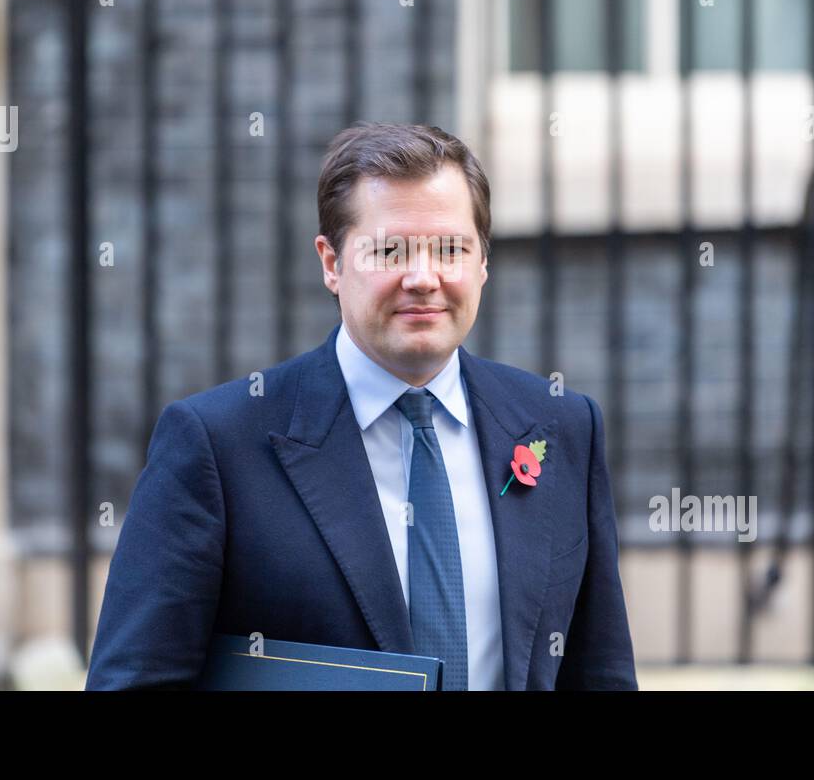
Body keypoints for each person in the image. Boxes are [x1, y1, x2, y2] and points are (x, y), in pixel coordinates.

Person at [85, 122, 638, 690]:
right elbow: (133, 681)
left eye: (451, 248)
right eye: (390, 250)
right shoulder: (215, 445)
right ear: (332, 262)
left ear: (482, 264)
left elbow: (600, 674)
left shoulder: (563, 427)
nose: (423, 278)